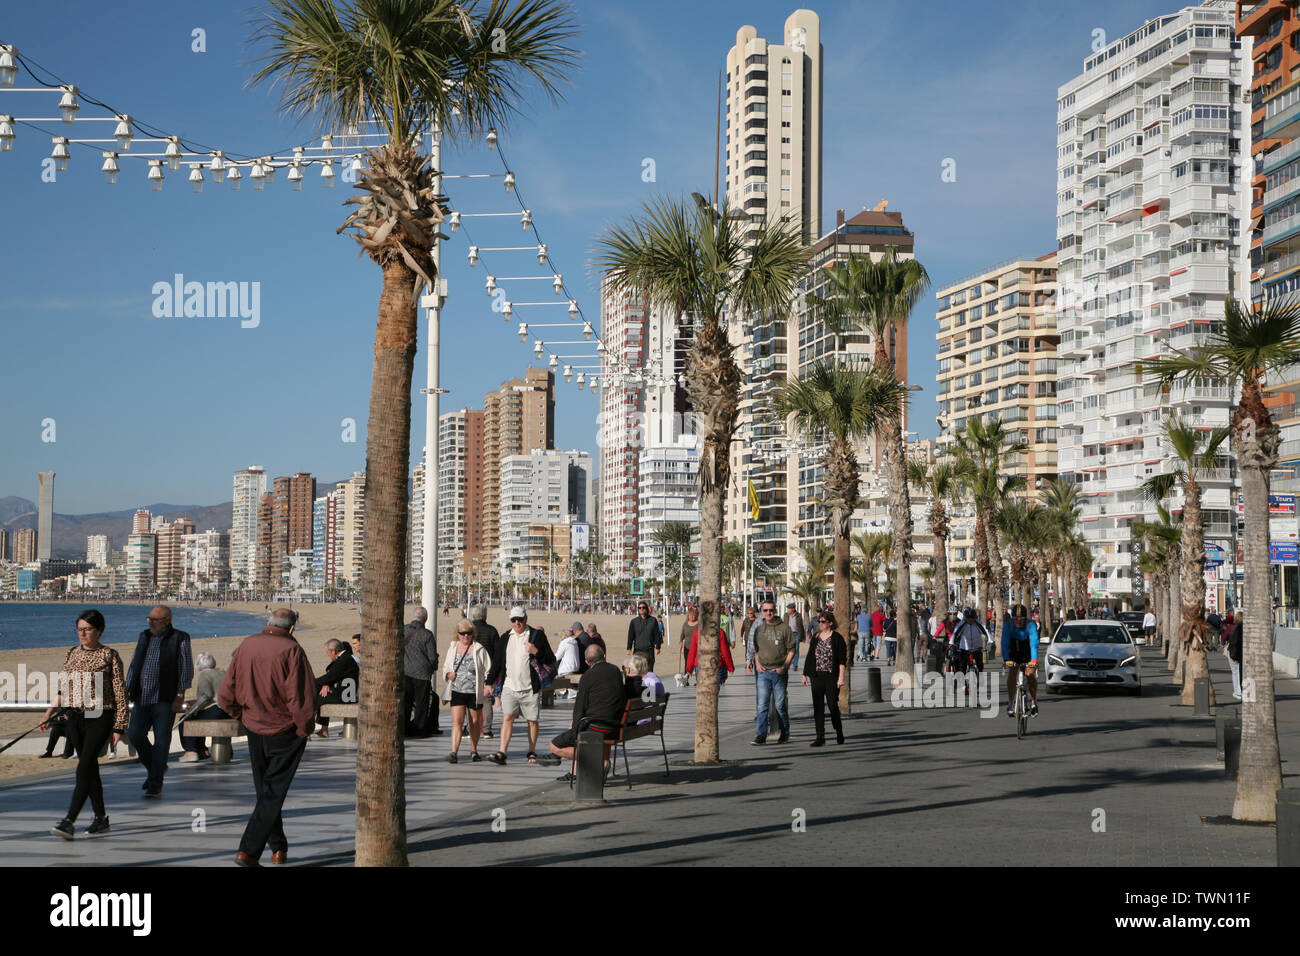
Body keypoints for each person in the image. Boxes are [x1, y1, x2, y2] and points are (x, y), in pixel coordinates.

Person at [218, 607, 318, 866]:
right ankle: (248, 851)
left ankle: (278, 848)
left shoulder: (247, 645)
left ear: (268, 622)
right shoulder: (291, 650)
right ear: (292, 628)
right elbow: (300, 696)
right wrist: (304, 727)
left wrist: (240, 714)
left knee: (266, 791)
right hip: (284, 729)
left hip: (254, 726)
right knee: (273, 792)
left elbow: (226, 691)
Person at [45, 610, 129, 839]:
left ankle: (69, 820)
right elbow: (63, 688)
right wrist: (49, 712)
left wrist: (119, 726)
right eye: (79, 628)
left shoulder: (109, 655)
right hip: (74, 717)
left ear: (99, 630)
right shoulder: (72, 653)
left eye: (87, 629)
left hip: (100, 716)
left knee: (83, 768)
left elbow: (121, 694)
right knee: (89, 769)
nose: (82, 633)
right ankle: (101, 819)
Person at [125, 605, 193, 799]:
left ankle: (155, 783)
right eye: (149, 618)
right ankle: (157, 768)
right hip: (142, 697)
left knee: (162, 741)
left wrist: (180, 695)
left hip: (165, 697)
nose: (150, 622)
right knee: (135, 734)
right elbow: (134, 664)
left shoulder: (180, 638)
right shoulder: (144, 636)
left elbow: (186, 667)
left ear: (167, 620)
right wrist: (128, 688)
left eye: (155, 619)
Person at [483, 606, 558, 766]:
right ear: (510, 620)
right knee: (507, 717)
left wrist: (536, 651)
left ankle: (531, 750)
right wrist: (489, 683)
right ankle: (502, 752)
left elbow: (550, 658)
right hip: (509, 686)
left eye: (520, 620)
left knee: (532, 721)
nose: (517, 623)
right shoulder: (505, 638)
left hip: (530, 687)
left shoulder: (536, 636)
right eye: (514, 620)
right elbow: (497, 663)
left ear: (526, 619)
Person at [549, 645, 627, 779]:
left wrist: (573, 733)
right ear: (604, 656)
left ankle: (597, 761)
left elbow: (579, 708)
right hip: (615, 726)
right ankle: (575, 772)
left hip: (596, 727)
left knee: (554, 746)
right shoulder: (615, 671)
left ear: (587, 662)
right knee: (576, 726)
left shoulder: (588, 676)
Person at [747, 601, 796, 745]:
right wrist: (756, 662)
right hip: (763, 672)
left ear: (775, 611)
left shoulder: (784, 628)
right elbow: (755, 648)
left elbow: (792, 649)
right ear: (761, 611)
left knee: (780, 705)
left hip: (779, 672)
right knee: (762, 705)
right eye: (765, 610)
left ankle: (784, 731)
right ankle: (761, 735)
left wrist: (785, 666)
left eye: (771, 610)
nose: (768, 613)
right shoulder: (758, 628)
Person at [444, 621, 492, 763]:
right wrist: (448, 675)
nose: (466, 636)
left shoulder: (479, 649)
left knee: (475, 722)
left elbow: (489, 668)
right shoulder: (452, 648)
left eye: (469, 633)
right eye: (462, 633)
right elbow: (446, 667)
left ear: (473, 634)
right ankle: (454, 752)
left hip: (474, 692)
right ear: (457, 634)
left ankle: (474, 750)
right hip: (457, 690)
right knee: (457, 722)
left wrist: (487, 685)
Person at [802, 610, 847, 746]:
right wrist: (804, 674)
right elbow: (810, 656)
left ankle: (839, 731)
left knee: (833, 705)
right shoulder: (816, 637)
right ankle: (820, 737)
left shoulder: (837, 638)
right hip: (817, 676)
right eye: (819, 621)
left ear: (830, 623)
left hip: (831, 677)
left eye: (823, 622)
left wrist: (841, 678)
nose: (820, 624)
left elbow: (842, 660)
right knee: (818, 707)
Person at [179, 652, 230, 762]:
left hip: (218, 710)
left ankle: (191, 751)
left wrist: (193, 710)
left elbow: (206, 696)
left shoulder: (204, 674)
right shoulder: (222, 672)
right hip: (228, 710)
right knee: (198, 716)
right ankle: (202, 750)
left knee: (185, 720)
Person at [403, 608, 440, 737]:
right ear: (425, 618)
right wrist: (434, 666)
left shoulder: (404, 629)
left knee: (406, 702)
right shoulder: (427, 634)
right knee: (421, 703)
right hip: (422, 674)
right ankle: (419, 729)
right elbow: (432, 657)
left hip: (405, 671)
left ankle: (405, 727)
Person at [313, 638, 359, 738]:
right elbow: (334, 676)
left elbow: (331, 676)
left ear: (333, 651)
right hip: (344, 693)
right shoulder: (345, 658)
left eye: (327, 652)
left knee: (318, 696)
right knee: (321, 694)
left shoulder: (344, 660)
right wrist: (326, 684)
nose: (327, 655)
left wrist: (311, 682)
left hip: (346, 697)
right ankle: (323, 730)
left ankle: (314, 729)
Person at [1001, 603, 1040, 717]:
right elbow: (1004, 644)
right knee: (1012, 673)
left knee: (1030, 674)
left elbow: (1034, 644)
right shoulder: (1008, 626)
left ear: (1025, 618)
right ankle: (1011, 702)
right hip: (1014, 650)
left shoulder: (1031, 625)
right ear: (1012, 618)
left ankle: (1033, 702)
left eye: (1021, 618)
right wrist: (1007, 659)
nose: (1018, 621)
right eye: (1015, 619)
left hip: (1027, 650)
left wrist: (1033, 661)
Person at [468, 606, 498, 737]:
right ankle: (486, 729)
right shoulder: (491, 630)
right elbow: (497, 653)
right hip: (487, 668)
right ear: (484, 615)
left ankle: (471, 727)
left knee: (470, 698)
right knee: (486, 699)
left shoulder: (467, 630)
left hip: (470, 668)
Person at [950, 608, 988, 676]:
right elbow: (955, 633)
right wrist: (952, 644)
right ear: (965, 618)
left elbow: (985, 631)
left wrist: (990, 642)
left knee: (980, 667)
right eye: (968, 618)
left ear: (975, 618)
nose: (970, 620)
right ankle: (962, 684)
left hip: (977, 647)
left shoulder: (978, 623)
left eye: (972, 618)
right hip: (964, 648)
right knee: (962, 668)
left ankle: (981, 681)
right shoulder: (962, 624)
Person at [627, 601, 663, 672]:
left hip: (649, 650)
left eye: (643, 607)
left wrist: (658, 647)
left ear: (647, 609)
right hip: (637, 650)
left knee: (649, 672)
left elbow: (657, 635)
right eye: (639, 608)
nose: (641, 609)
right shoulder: (634, 621)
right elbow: (630, 636)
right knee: (637, 672)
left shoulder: (653, 620)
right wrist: (629, 648)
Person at [1224, 611, 1242, 700]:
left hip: (1232, 652)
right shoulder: (1246, 627)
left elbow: (1224, 637)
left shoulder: (1231, 627)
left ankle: (1237, 692)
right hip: (1242, 652)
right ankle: (1241, 690)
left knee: (1235, 672)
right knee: (1240, 671)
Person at [678, 608, 699, 681]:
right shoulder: (685, 624)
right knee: (687, 663)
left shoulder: (698, 624)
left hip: (697, 647)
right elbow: (682, 635)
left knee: (696, 664)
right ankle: (685, 679)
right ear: (688, 616)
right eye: (690, 615)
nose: (692, 617)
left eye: (693, 615)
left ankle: (698, 679)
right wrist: (680, 642)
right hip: (687, 647)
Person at [786, 602, 806, 670]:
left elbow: (802, 626)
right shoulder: (786, 615)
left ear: (793, 609)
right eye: (788, 608)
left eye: (789, 608)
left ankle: (795, 665)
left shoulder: (799, 616)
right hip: (788, 634)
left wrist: (803, 637)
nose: (788, 610)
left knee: (796, 649)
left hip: (796, 634)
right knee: (788, 649)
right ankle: (788, 663)